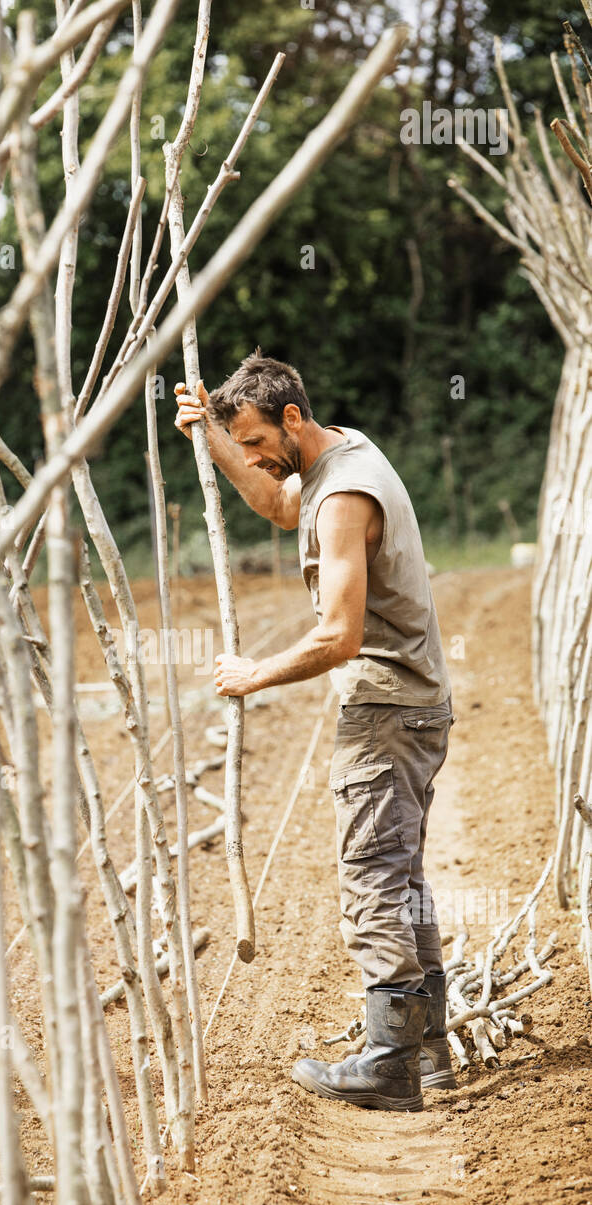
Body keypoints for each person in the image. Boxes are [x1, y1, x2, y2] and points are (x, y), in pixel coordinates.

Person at [174, 350, 456, 1113]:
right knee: (402, 877)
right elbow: (275, 502)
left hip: (386, 712)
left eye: (260, 438)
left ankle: (391, 1062)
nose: (261, 456)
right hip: (416, 704)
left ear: (293, 417)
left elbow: (338, 633)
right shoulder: (342, 454)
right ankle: (428, 1053)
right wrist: (216, 439)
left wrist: (252, 673)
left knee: (371, 876)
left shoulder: (343, 499)